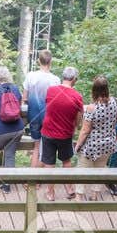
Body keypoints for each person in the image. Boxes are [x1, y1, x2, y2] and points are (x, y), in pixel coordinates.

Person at [35, 66, 84, 201]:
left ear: (63, 77)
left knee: (49, 163)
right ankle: (70, 189)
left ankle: (50, 193)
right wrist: (76, 126)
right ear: (74, 79)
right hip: (65, 134)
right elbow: (79, 117)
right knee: (66, 161)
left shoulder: (51, 91)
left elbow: (49, 106)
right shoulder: (77, 96)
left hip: (48, 131)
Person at [74, 75, 117, 200]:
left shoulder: (91, 108)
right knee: (100, 169)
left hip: (92, 145)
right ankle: (94, 195)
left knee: (82, 169)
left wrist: (77, 145)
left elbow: (85, 130)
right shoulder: (114, 102)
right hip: (108, 143)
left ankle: (79, 196)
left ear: (94, 90)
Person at [22, 50, 60, 147]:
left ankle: (35, 162)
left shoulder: (30, 76)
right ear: (50, 61)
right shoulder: (55, 80)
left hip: (33, 116)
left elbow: (25, 98)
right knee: (47, 149)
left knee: (36, 147)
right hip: (49, 117)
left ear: (39, 61)